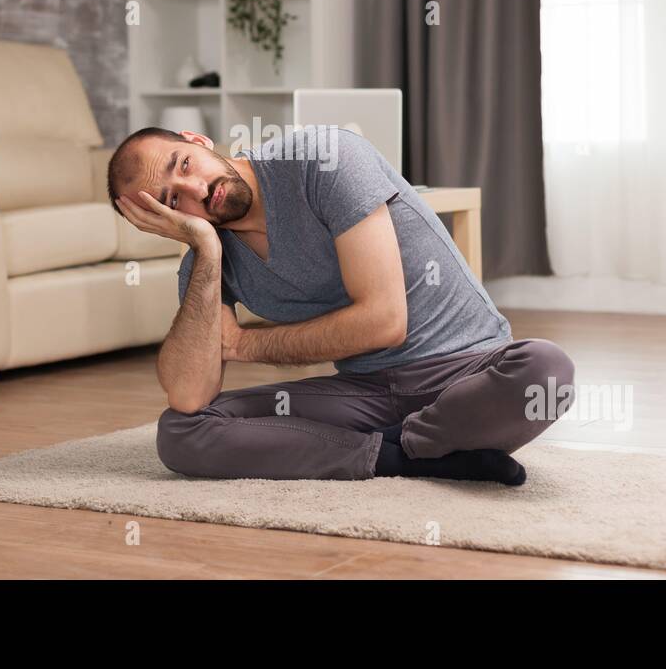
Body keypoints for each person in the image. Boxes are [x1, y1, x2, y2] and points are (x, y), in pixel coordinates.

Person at [107, 124, 575, 484]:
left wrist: (243, 345)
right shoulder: (206, 259)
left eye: (184, 165)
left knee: (546, 371)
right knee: (181, 434)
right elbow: (189, 396)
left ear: (198, 140)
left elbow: (384, 324)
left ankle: (396, 446)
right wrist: (206, 250)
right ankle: (407, 457)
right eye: (172, 200)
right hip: (367, 393)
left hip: (467, 372)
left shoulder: (323, 157)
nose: (196, 192)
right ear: (163, 219)